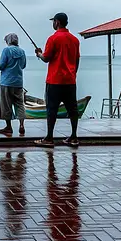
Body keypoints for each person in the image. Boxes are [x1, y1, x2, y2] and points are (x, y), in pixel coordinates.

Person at [35, 12, 80, 147]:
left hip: (54, 80)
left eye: (53, 21)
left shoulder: (53, 38)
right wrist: (73, 74)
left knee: (52, 109)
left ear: (57, 22)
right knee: (72, 110)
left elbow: (46, 58)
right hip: (70, 81)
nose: (53, 24)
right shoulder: (75, 40)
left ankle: (49, 138)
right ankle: (74, 137)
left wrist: (39, 54)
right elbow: (77, 60)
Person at [0, 32, 27, 136]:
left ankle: (9, 127)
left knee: (6, 105)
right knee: (20, 105)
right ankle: (21, 125)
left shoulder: (6, 50)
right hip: (18, 83)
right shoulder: (22, 51)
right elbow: (23, 65)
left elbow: (1, 66)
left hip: (6, 82)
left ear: (8, 41)